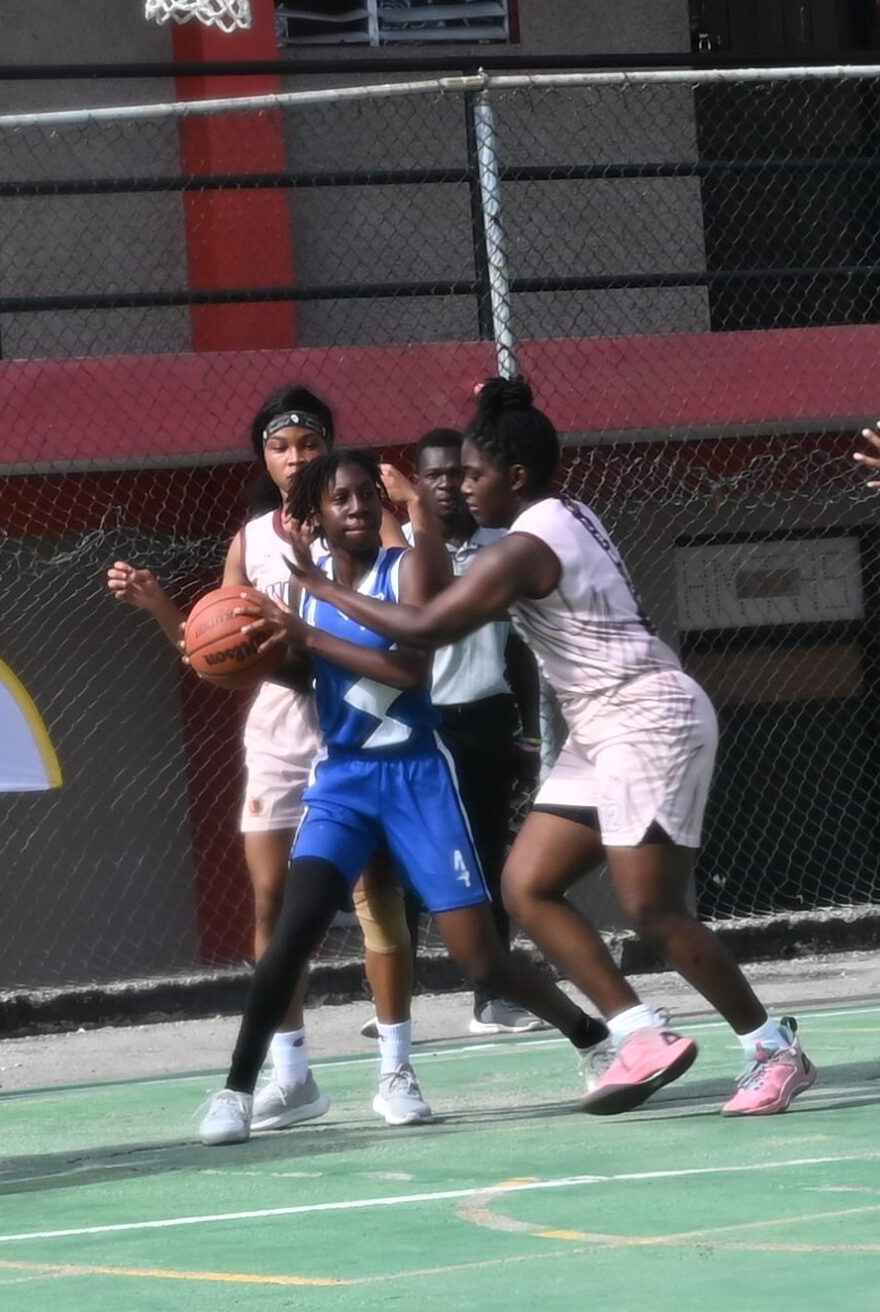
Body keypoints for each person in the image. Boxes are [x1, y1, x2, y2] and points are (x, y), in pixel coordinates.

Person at [286, 379, 818, 1119]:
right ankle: (639, 1036)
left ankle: (773, 1047)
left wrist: (315, 599)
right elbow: (439, 584)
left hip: (647, 719)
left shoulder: (528, 546)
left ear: (518, 478)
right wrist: (413, 518)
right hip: (602, 725)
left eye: (473, 476)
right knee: (527, 885)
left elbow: (429, 625)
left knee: (652, 908)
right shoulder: (560, 516)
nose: (463, 488)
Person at [197, 448, 613, 1145]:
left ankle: (591, 1036)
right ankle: (237, 1091)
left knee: (479, 958)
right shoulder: (309, 586)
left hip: (418, 775)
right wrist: (249, 652)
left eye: (367, 495)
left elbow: (407, 672)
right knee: (291, 934)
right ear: (316, 517)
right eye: (342, 499)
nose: (359, 507)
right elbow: (316, 678)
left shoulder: (409, 567)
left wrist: (308, 627)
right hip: (345, 779)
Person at [107, 386, 427, 1130]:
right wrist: (162, 608)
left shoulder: (364, 516)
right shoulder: (251, 539)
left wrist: (408, 514)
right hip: (281, 738)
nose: (295, 459)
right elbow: (212, 653)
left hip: (361, 727)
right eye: (281, 448)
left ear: (329, 450)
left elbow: (411, 603)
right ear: (264, 458)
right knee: (272, 907)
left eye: (308, 445)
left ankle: (398, 1071)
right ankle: (292, 1078)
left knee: (376, 901)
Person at [390, 428, 547, 1036]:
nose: (450, 485)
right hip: (420, 721)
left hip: (484, 719)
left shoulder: (504, 546)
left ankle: (492, 998)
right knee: (403, 862)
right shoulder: (398, 549)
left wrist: (530, 734)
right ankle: (394, 1007)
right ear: (416, 483)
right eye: (435, 476)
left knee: (486, 856)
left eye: (460, 473)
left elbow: (520, 653)